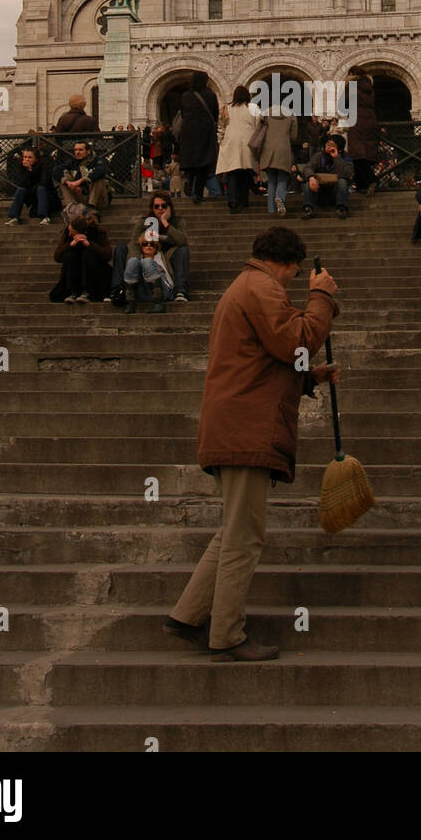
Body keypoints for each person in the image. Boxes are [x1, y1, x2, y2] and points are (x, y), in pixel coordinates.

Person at [165, 226, 339, 661]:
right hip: (244, 427)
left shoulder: (248, 285)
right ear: (287, 263)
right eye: (298, 274)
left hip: (236, 423)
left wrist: (308, 377)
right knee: (245, 536)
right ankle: (226, 635)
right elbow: (296, 341)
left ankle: (187, 616)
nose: (295, 280)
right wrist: (322, 299)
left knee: (234, 531)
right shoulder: (262, 287)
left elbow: (262, 361)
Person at [111, 189, 190, 305]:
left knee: (183, 250)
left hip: (167, 256)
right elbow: (134, 242)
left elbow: (182, 240)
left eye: (163, 206)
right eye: (156, 206)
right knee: (121, 248)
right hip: (146, 256)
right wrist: (134, 261)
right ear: (152, 208)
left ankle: (180, 291)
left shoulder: (177, 221)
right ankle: (117, 290)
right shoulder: (145, 221)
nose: (160, 209)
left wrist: (165, 223)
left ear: (169, 207)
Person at [49, 213, 112, 303]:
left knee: (87, 254)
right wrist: (69, 245)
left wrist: (90, 244)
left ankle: (87, 291)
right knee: (69, 255)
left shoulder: (97, 232)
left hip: (94, 269)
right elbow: (57, 257)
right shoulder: (68, 233)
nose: (70, 234)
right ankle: (72, 291)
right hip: (74, 268)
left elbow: (108, 255)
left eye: (72, 232)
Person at [178, 71, 219, 205]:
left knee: (191, 161)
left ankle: (190, 183)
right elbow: (215, 114)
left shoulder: (185, 96)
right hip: (205, 132)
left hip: (188, 132)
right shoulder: (210, 95)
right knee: (203, 164)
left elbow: (183, 113)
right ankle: (198, 193)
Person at [215, 86, 258, 212]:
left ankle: (232, 200)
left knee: (232, 173)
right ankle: (244, 200)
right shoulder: (253, 108)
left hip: (230, 142)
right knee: (245, 172)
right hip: (247, 142)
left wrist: (220, 141)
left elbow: (221, 127)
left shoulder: (226, 108)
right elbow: (258, 124)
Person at [300, 134, 354, 219]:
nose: (328, 147)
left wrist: (337, 158)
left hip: (335, 194)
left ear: (339, 149)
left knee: (342, 182)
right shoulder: (318, 156)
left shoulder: (346, 159)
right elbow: (308, 167)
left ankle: (342, 209)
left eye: (332, 145)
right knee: (308, 183)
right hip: (319, 191)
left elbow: (346, 174)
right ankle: (308, 209)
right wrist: (311, 177)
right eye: (328, 144)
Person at [259, 103, 298, 216]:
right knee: (282, 179)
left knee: (271, 181)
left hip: (268, 150)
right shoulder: (291, 115)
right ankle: (280, 198)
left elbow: (260, 130)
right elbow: (294, 137)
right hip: (283, 149)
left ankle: (271, 210)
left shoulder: (265, 113)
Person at [123, 232, 174, 314]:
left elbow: (177, 241)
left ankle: (159, 303)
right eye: (145, 243)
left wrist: (158, 236)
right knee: (133, 261)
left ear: (157, 247)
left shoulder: (164, 256)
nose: (148, 245)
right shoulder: (138, 261)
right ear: (141, 247)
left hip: (163, 290)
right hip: (142, 291)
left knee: (147, 262)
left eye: (152, 244)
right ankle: (130, 302)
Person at [346, 68, 379, 196]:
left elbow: (343, 102)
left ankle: (371, 180)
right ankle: (361, 185)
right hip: (370, 119)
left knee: (357, 155)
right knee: (364, 153)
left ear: (352, 74)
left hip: (357, 120)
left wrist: (346, 85)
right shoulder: (369, 87)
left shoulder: (352, 85)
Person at [53, 141, 110, 215]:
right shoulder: (72, 162)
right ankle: (71, 207)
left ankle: (91, 207)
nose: (77, 152)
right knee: (63, 180)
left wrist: (80, 182)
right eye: (75, 150)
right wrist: (69, 183)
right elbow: (56, 171)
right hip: (80, 196)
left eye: (80, 150)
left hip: (98, 199)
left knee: (98, 178)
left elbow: (100, 171)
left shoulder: (98, 161)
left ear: (88, 151)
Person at [6, 146, 52, 225]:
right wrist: (28, 171)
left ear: (36, 159)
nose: (27, 159)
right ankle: (14, 217)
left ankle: (44, 217)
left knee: (40, 188)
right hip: (31, 195)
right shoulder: (21, 167)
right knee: (21, 190)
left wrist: (31, 170)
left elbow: (43, 182)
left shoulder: (43, 166)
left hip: (46, 196)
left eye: (30, 157)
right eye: (25, 157)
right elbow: (20, 183)